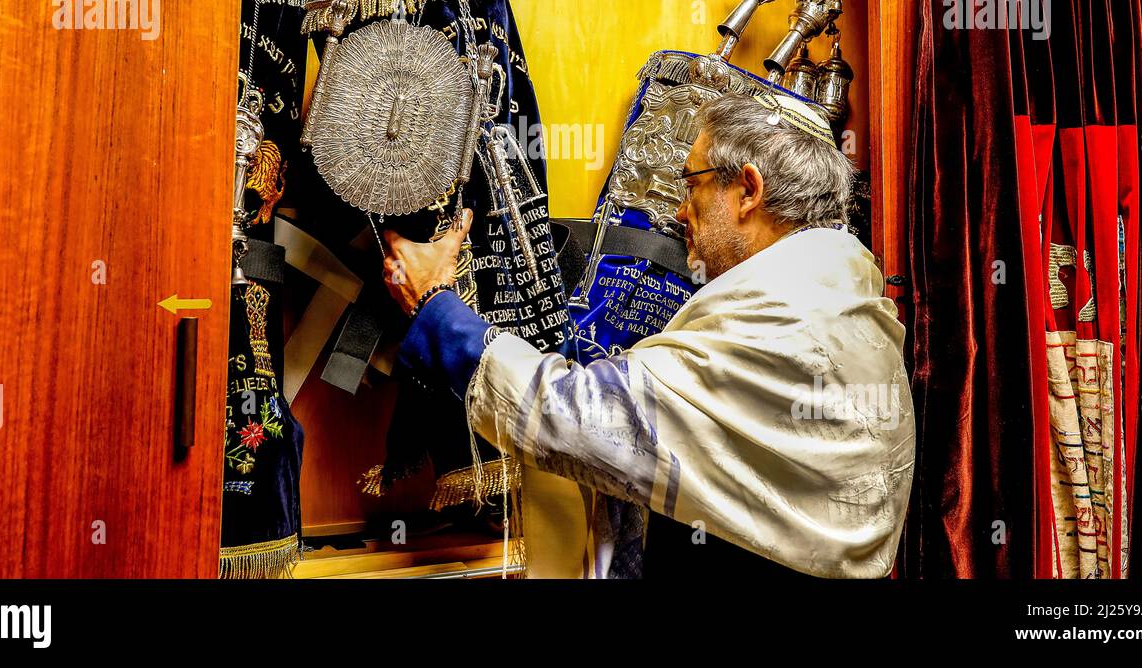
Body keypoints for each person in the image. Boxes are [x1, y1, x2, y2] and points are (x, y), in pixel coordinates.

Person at [381, 90, 915, 578]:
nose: (681, 213)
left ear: (748, 189)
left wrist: (436, 304)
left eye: (692, 184)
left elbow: (577, 418)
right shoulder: (842, 299)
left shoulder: (786, 319)